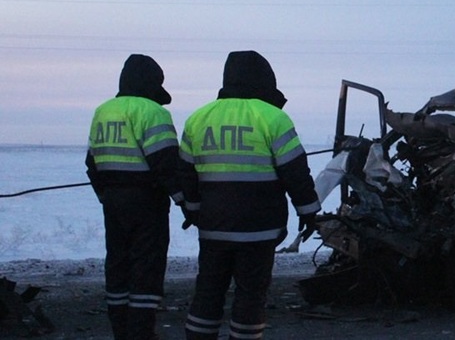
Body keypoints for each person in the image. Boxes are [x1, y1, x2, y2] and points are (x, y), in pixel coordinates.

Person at [179, 50, 321, 340]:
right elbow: (296, 173)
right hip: (259, 230)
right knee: (251, 296)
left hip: (214, 228)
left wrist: (193, 210)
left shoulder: (198, 118)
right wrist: (308, 211)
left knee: (207, 293)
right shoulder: (274, 118)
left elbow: (187, 175)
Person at [85, 54, 188, 340]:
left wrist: (105, 195)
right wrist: (186, 203)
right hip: (147, 201)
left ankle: (121, 331)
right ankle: (141, 333)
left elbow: (91, 163)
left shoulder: (103, 111)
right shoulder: (154, 112)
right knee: (147, 267)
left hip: (114, 202)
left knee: (117, 265)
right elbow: (166, 165)